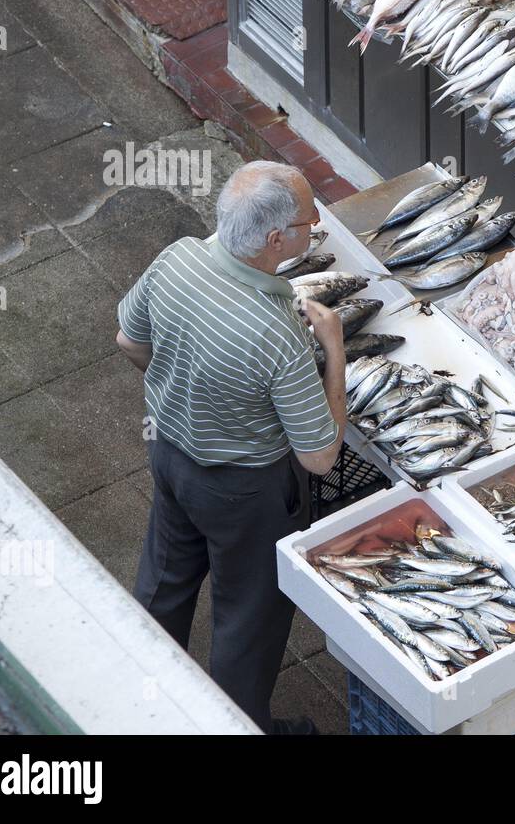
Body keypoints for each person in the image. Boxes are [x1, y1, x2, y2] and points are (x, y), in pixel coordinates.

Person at [115, 161, 347, 731]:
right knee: (247, 620)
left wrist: (187, 387)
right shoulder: (277, 332)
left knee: (164, 580)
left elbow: (127, 339)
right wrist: (334, 352)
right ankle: (236, 724)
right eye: (308, 223)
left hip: (171, 457)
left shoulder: (176, 259)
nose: (315, 227)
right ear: (275, 240)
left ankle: (134, 700)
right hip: (246, 493)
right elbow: (320, 456)